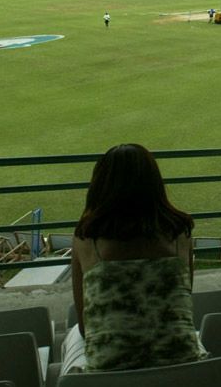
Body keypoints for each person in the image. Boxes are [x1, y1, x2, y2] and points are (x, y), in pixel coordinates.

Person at [62, 144, 202, 372]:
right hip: (184, 368)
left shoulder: (85, 238)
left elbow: (85, 327)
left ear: (101, 185)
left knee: (71, 339)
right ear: (154, 184)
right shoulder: (181, 234)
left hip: (108, 374)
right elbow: (182, 302)